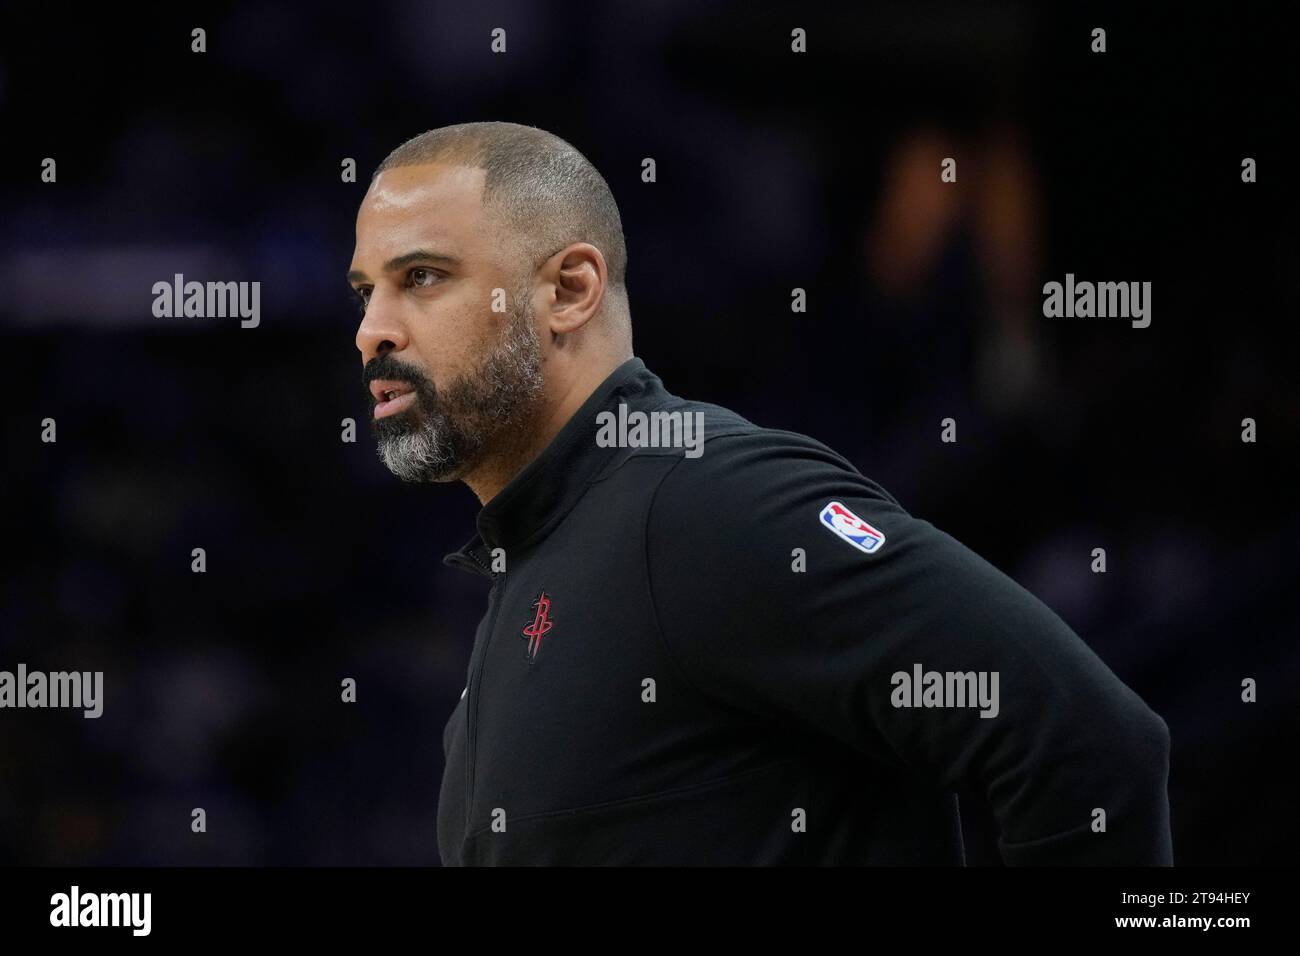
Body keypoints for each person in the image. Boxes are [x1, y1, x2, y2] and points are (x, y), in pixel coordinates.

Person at [347, 121, 1172, 866]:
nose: (371, 330)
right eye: (365, 291)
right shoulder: (522, 580)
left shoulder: (709, 501)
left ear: (568, 290)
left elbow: (1090, 744)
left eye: (421, 276)